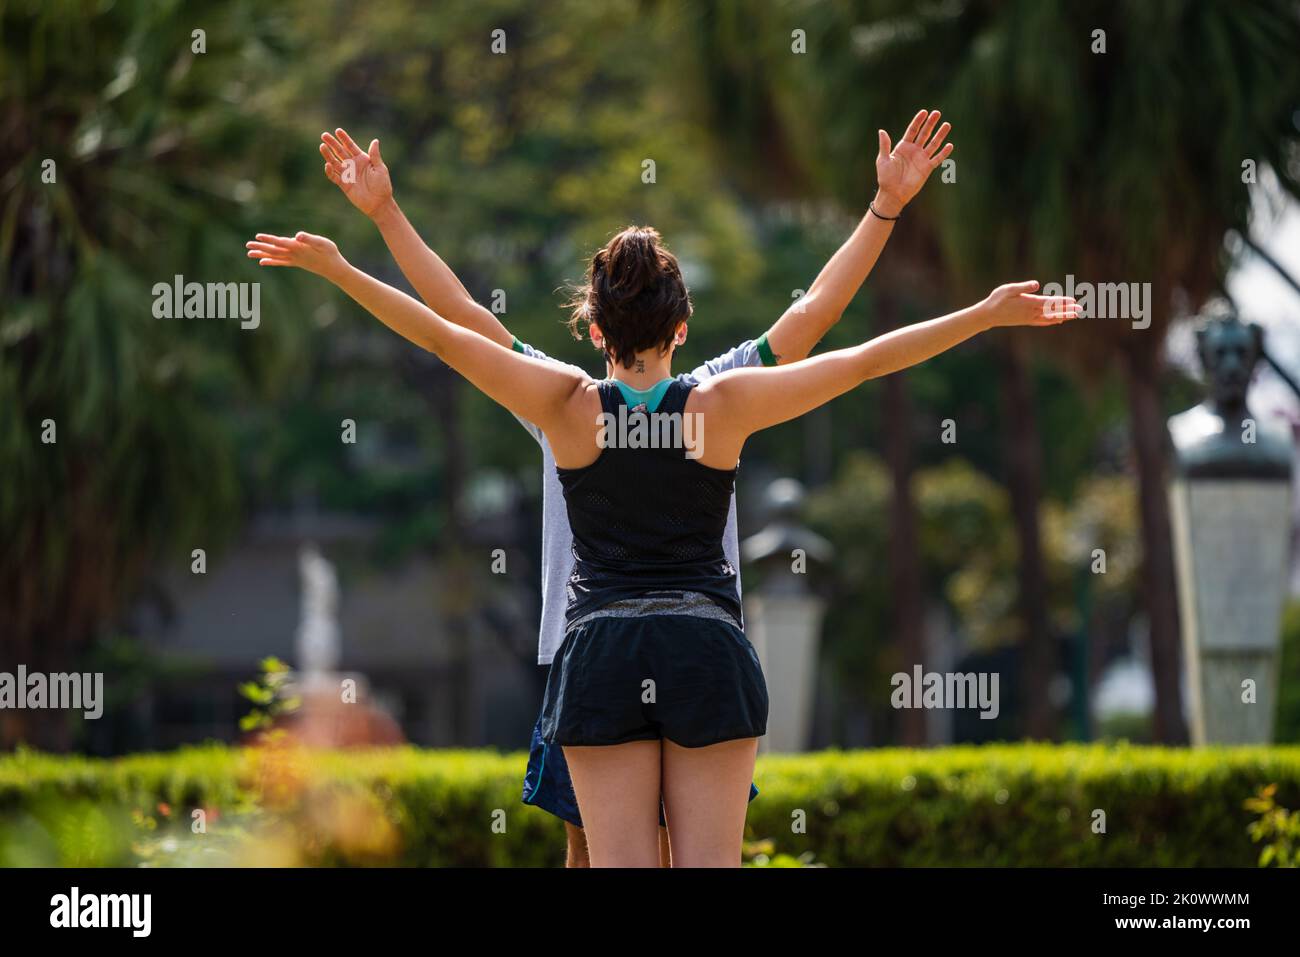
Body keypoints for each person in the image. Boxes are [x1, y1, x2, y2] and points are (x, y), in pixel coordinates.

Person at [247, 158, 1078, 874]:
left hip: (599, 654)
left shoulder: (561, 402)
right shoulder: (721, 400)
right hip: (705, 650)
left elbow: (451, 330)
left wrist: (349, 262)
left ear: (593, 324)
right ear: (681, 326)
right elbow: (847, 348)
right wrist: (975, 305)